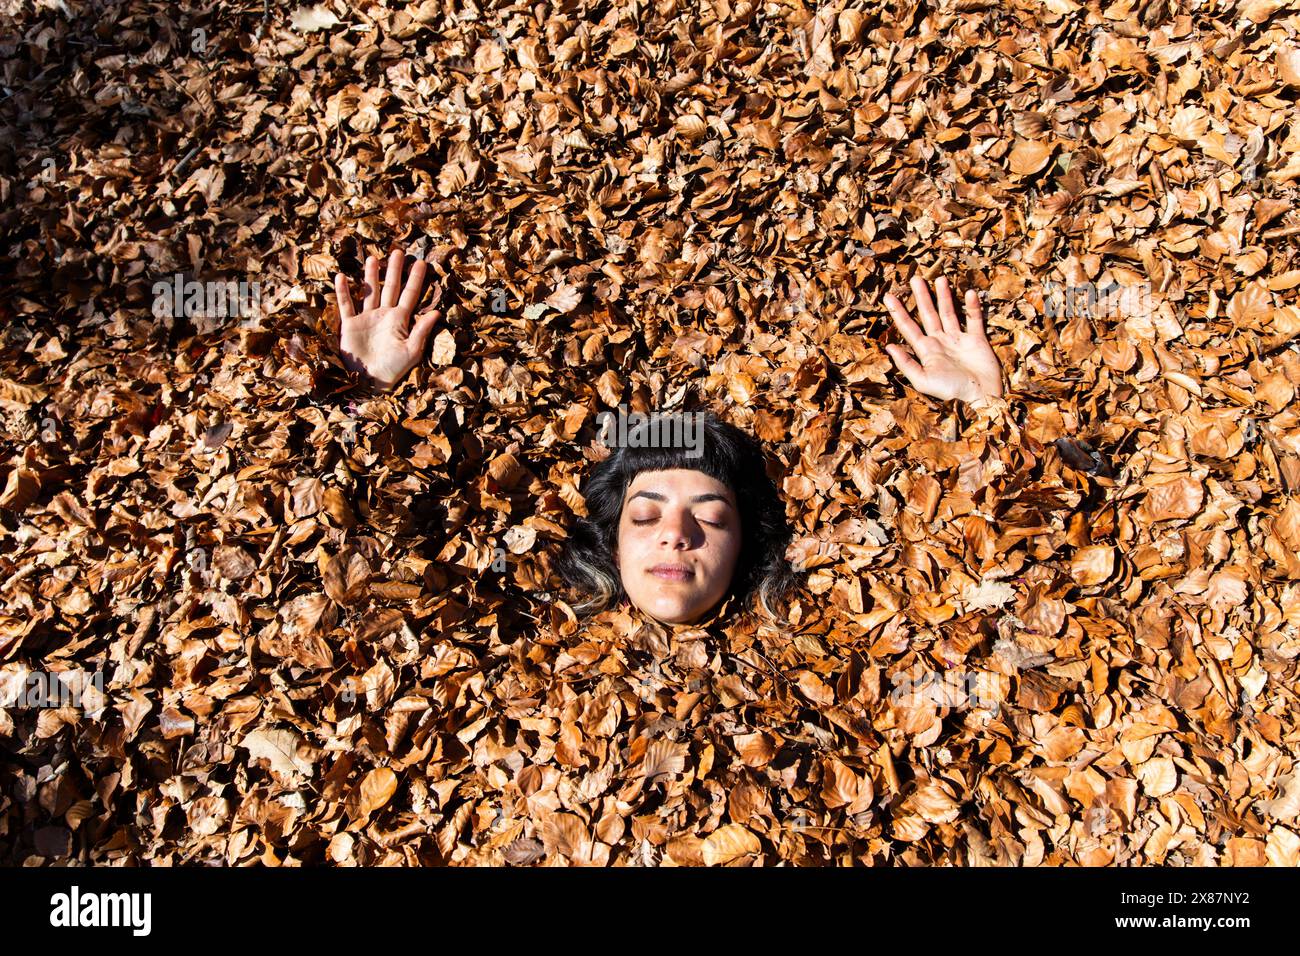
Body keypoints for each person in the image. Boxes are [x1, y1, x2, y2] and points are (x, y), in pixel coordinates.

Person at [331, 249, 1012, 628]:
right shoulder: (519, 630)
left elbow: (988, 577)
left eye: (712, 516)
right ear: (611, 536)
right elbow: (372, 573)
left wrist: (985, 403)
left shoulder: (834, 627)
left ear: (749, 541)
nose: (674, 535)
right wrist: (367, 394)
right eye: (646, 512)